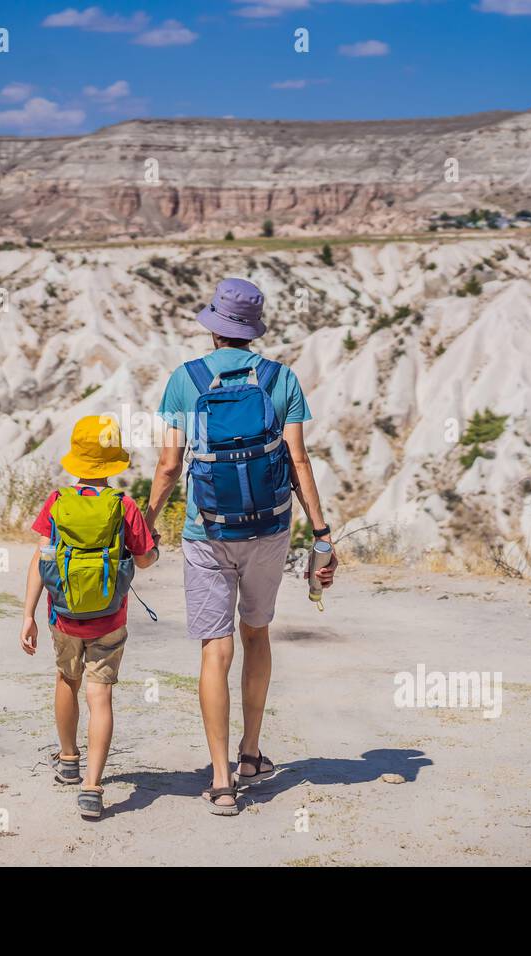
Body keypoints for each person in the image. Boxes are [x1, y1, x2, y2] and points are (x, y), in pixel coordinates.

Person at [143, 277, 337, 816]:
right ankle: (252, 754)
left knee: (215, 648)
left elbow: (168, 465)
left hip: (208, 533)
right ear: (253, 330)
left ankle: (223, 779)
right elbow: (299, 463)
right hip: (270, 530)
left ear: (213, 328)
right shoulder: (282, 379)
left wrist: (145, 523)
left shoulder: (185, 381)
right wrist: (322, 534)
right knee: (256, 635)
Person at [20, 415, 158, 819]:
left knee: (67, 681)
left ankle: (68, 760)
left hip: (63, 618)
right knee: (101, 697)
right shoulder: (124, 506)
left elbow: (40, 558)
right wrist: (155, 550)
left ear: (77, 462)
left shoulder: (57, 502)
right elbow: (145, 560)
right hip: (110, 620)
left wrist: (27, 615)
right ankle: (93, 787)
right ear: (114, 464)